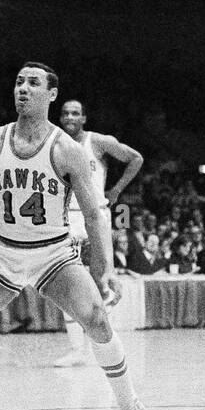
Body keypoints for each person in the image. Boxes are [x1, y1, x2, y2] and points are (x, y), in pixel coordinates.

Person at [0, 63, 161, 410]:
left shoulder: (67, 150)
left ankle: (129, 405)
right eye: (19, 81)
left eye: (33, 83)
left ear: (51, 95)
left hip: (54, 252)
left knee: (97, 320)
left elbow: (94, 213)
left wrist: (105, 269)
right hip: (4, 253)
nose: (23, 88)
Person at [53, 98, 143, 367]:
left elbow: (135, 158)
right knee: (65, 286)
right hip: (64, 221)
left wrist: (116, 190)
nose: (70, 116)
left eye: (75, 113)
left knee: (101, 285)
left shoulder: (98, 142)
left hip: (94, 220)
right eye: (66, 113)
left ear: (84, 118)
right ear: (60, 117)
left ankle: (101, 340)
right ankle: (77, 350)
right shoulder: (54, 143)